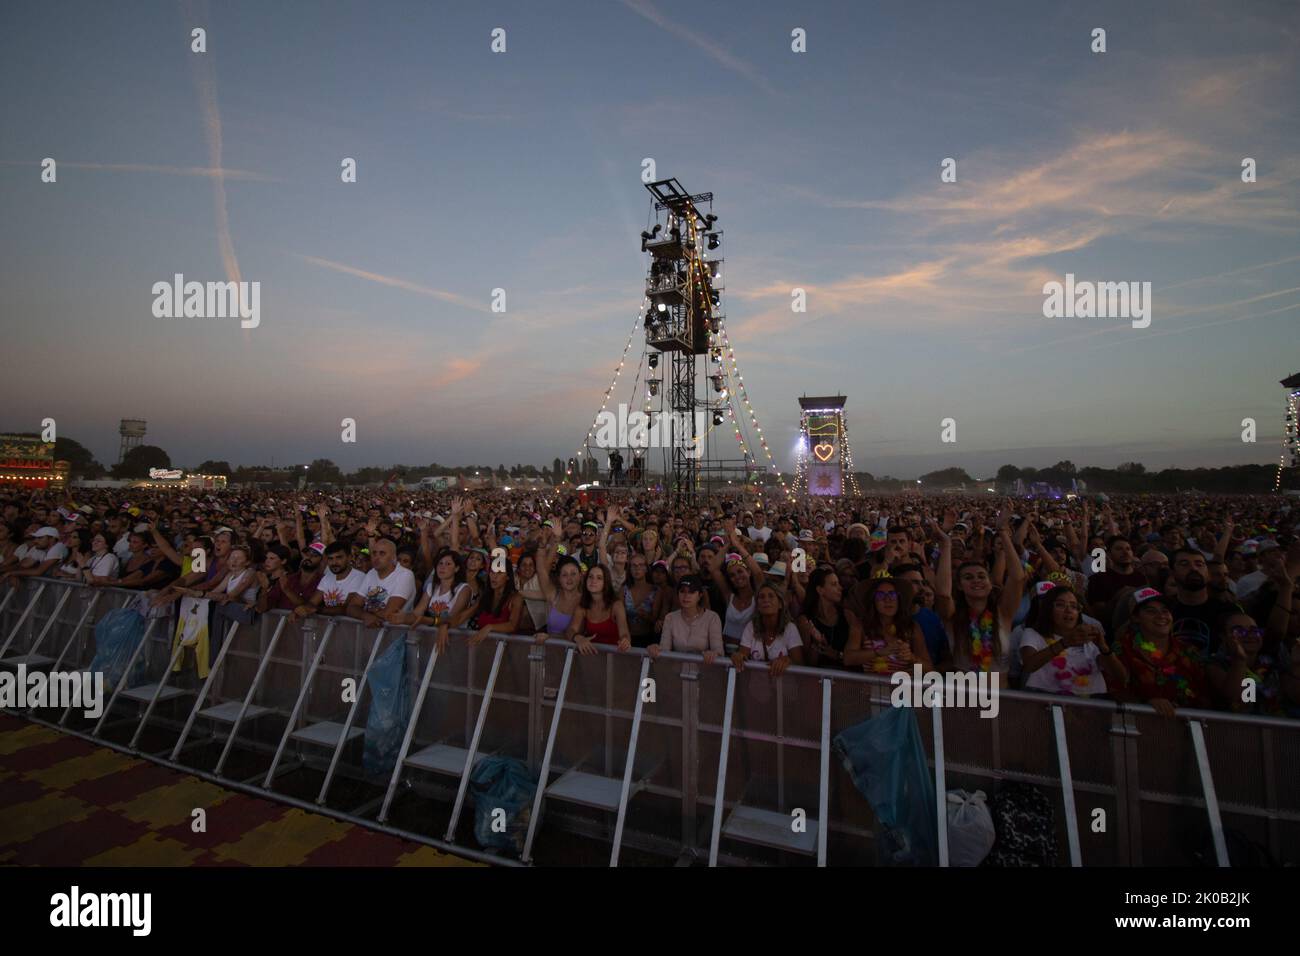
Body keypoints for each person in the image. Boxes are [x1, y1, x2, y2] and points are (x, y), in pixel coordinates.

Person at [1113, 588, 1209, 717]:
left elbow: (1204, 694)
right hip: (1138, 726)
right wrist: (1146, 704)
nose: (1161, 616)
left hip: (1187, 729)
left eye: (1165, 610)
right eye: (1151, 611)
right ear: (1135, 617)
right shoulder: (1122, 649)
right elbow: (1115, 690)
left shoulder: (1188, 651)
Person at [1019, 583, 1125, 697]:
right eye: (1060, 605)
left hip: (1089, 709)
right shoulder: (1032, 634)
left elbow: (1121, 677)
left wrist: (1104, 648)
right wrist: (1064, 643)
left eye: (1074, 606)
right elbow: (1029, 666)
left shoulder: (1089, 641)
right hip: (1045, 704)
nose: (1068, 610)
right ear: (1048, 609)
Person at [844, 576, 931, 676]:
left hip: (903, 689)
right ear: (873, 601)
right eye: (881, 595)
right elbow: (848, 658)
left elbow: (930, 669)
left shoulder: (911, 626)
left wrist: (912, 657)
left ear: (899, 599)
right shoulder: (861, 625)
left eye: (892, 594)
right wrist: (879, 652)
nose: (888, 599)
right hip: (872, 689)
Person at [732, 582, 804, 676]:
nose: (766, 600)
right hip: (756, 685)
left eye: (771, 596)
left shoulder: (790, 628)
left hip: (783, 687)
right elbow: (742, 654)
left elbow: (799, 663)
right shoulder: (751, 626)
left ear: (780, 604)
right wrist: (738, 656)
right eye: (761, 597)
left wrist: (787, 660)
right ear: (757, 606)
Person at [798, 565, 861, 669]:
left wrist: (837, 655)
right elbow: (806, 665)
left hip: (847, 680)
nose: (840, 588)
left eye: (838, 584)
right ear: (820, 590)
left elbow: (857, 657)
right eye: (834, 584)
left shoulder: (848, 615)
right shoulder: (805, 621)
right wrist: (816, 645)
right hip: (818, 680)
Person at [649, 573, 722, 662]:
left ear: (699, 595)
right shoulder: (670, 618)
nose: (686, 596)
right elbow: (665, 650)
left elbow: (719, 651)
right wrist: (656, 649)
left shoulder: (712, 618)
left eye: (691, 592)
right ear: (678, 594)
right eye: (682, 591)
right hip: (675, 671)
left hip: (704, 672)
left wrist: (713, 654)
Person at [348, 537, 417, 628]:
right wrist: (366, 616)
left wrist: (364, 610)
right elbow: (351, 607)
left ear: (393, 557)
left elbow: (389, 614)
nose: (376, 557)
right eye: (374, 553)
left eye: (382, 553)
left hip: (394, 633)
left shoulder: (405, 575)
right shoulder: (371, 573)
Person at [566, 563, 631, 654]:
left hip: (614, 658)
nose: (593, 580)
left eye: (599, 578)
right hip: (592, 657)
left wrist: (625, 641)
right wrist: (579, 638)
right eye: (590, 577)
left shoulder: (616, 605)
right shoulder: (583, 605)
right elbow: (570, 630)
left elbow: (624, 632)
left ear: (606, 583)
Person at [294, 541, 367, 619]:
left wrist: (315, 609)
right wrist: (301, 610)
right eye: (330, 558)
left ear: (349, 557)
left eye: (339, 557)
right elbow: (313, 602)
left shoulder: (360, 577)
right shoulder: (328, 577)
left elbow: (346, 608)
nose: (334, 562)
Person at [469, 565, 524, 645]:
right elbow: (465, 615)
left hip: (504, 651)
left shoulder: (516, 598)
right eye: (492, 572)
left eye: (499, 572)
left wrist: (490, 627)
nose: (494, 576)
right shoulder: (485, 596)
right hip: (482, 649)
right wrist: (447, 625)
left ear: (508, 576)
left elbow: (512, 626)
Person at [623, 551, 665, 648]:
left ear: (646, 568)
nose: (637, 568)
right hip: (627, 639)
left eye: (641, 565)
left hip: (648, 640)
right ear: (629, 569)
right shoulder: (623, 590)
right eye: (634, 565)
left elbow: (656, 620)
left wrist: (646, 616)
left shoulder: (656, 591)